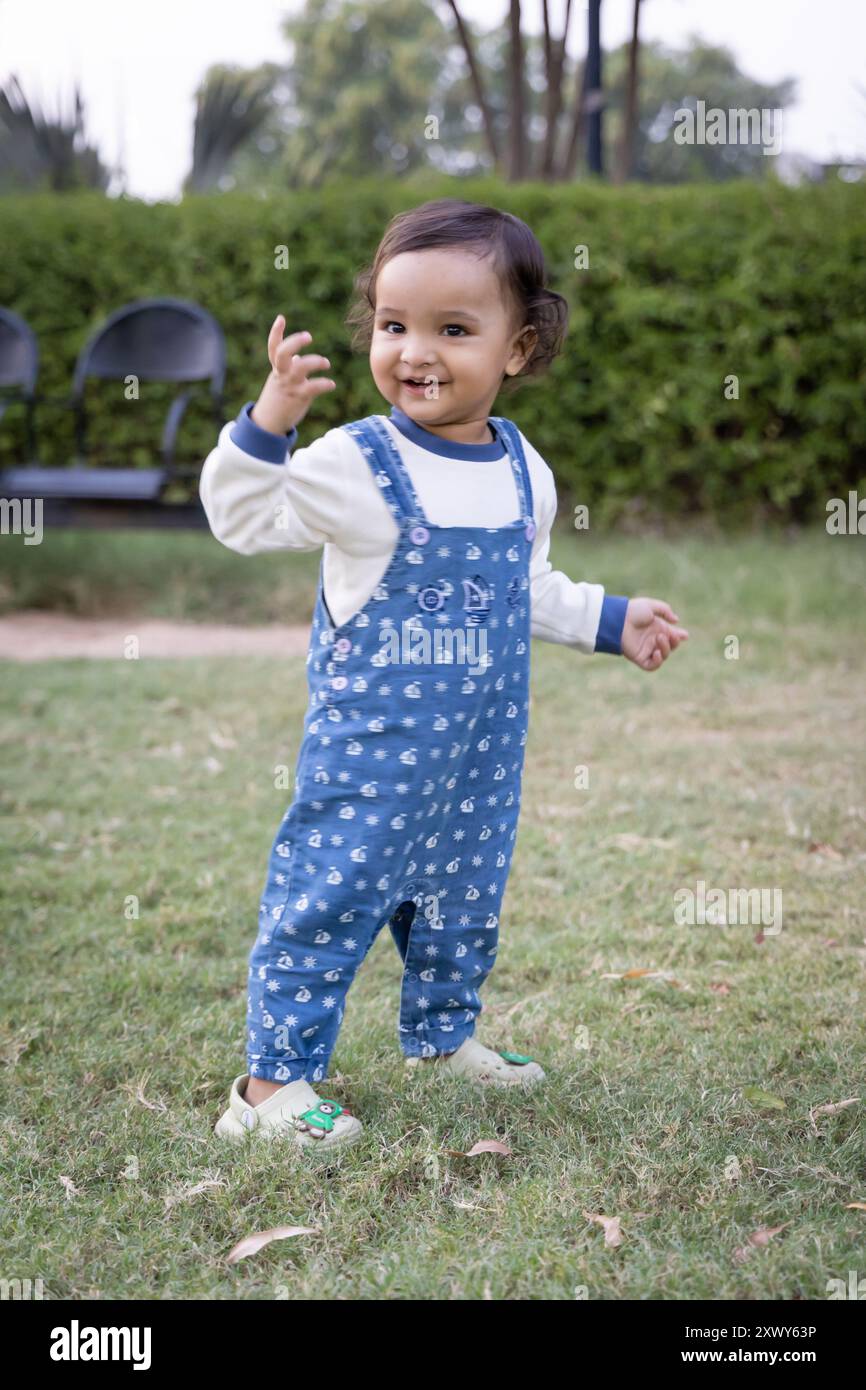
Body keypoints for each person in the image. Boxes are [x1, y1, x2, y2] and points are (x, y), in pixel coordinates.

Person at [199, 198, 688, 1149]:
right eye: (394, 326)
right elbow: (243, 520)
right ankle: (268, 1090)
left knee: (461, 907)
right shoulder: (354, 462)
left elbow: (526, 588)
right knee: (327, 902)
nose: (415, 351)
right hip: (370, 764)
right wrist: (268, 424)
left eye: (452, 330)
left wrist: (611, 620)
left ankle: (443, 1038)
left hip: (477, 762)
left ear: (520, 347)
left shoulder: (521, 471)